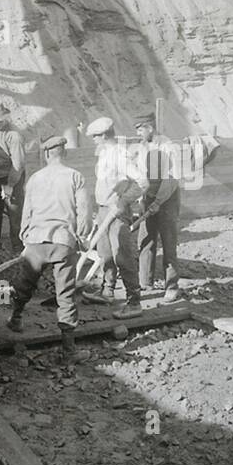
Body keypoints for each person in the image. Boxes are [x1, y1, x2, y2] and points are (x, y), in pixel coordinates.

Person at [7, 135, 92, 364]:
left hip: (36, 239)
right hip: (63, 242)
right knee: (65, 294)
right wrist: (82, 236)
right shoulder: (75, 176)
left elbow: (27, 210)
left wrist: (24, 234)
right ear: (64, 153)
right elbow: (84, 212)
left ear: (46, 154)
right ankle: (68, 349)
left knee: (24, 284)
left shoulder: (35, 178)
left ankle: (15, 318)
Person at [85, 115, 142, 316]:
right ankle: (108, 291)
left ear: (103, 135)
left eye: (94, 137)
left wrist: (124, 201)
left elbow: (142, 183)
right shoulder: (104, 154)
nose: (92, 140)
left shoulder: (120, 155)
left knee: (123, 256)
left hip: (117, 212)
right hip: (103, 210)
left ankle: (134, 301)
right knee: (106, 254)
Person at [131, 115, 182, 303]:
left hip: (167, 199)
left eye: (140, 129)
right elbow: (140, 174)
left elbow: (172, 178)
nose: (138, 133)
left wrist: (158, 201)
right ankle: (145, 283)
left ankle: (172, 287)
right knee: (145, 239)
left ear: (150, 127)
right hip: (148, 196)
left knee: (168, 243)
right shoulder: (143, 147)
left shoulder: (168, 146)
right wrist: (142, 197)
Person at [0, 109, 27, 253]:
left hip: (12, 174)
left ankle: (17, 247)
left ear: (7, 119)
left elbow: (18, 165)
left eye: (0, 122)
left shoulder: (14, 135)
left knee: (14, 211)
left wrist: (10, 185)